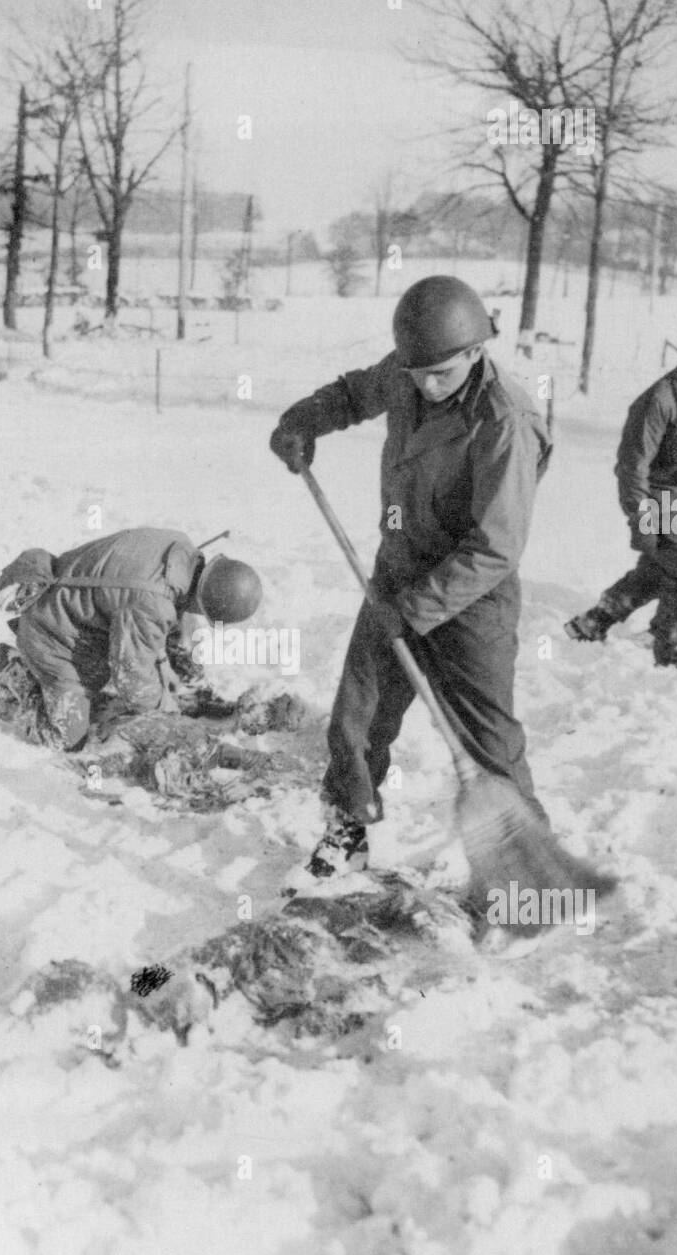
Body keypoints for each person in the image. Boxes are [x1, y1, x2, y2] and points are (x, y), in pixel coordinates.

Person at [269, 276, 552, 877]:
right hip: (397, 570)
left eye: (440, 374)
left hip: (472, 597)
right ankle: (349, 828)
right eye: (415, 370)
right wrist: (302, 421)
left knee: (487, 742)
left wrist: (417, 609)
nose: (424, 383)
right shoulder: (411, 368)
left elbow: (497, 546)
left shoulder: (506, 420)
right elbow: (352, 395)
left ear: (476, 351)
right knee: (359, 715)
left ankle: (525, 875)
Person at [565, 315, 677, 667]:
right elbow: (632, 467)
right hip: (662, 499)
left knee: (659, 571)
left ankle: (594, 622)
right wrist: (642, 521)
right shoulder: (658, 400)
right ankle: (667, 653)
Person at [0, 527, 262, 751]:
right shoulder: (151, 602)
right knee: (69, 737)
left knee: (171, 636)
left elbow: (155, 617)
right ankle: (11, 675)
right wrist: (167, 716)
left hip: (83, 609)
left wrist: (169, 670)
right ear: (203, 601)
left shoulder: (182, 549)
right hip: (52, 635)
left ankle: (188, 692)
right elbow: (132, 677)